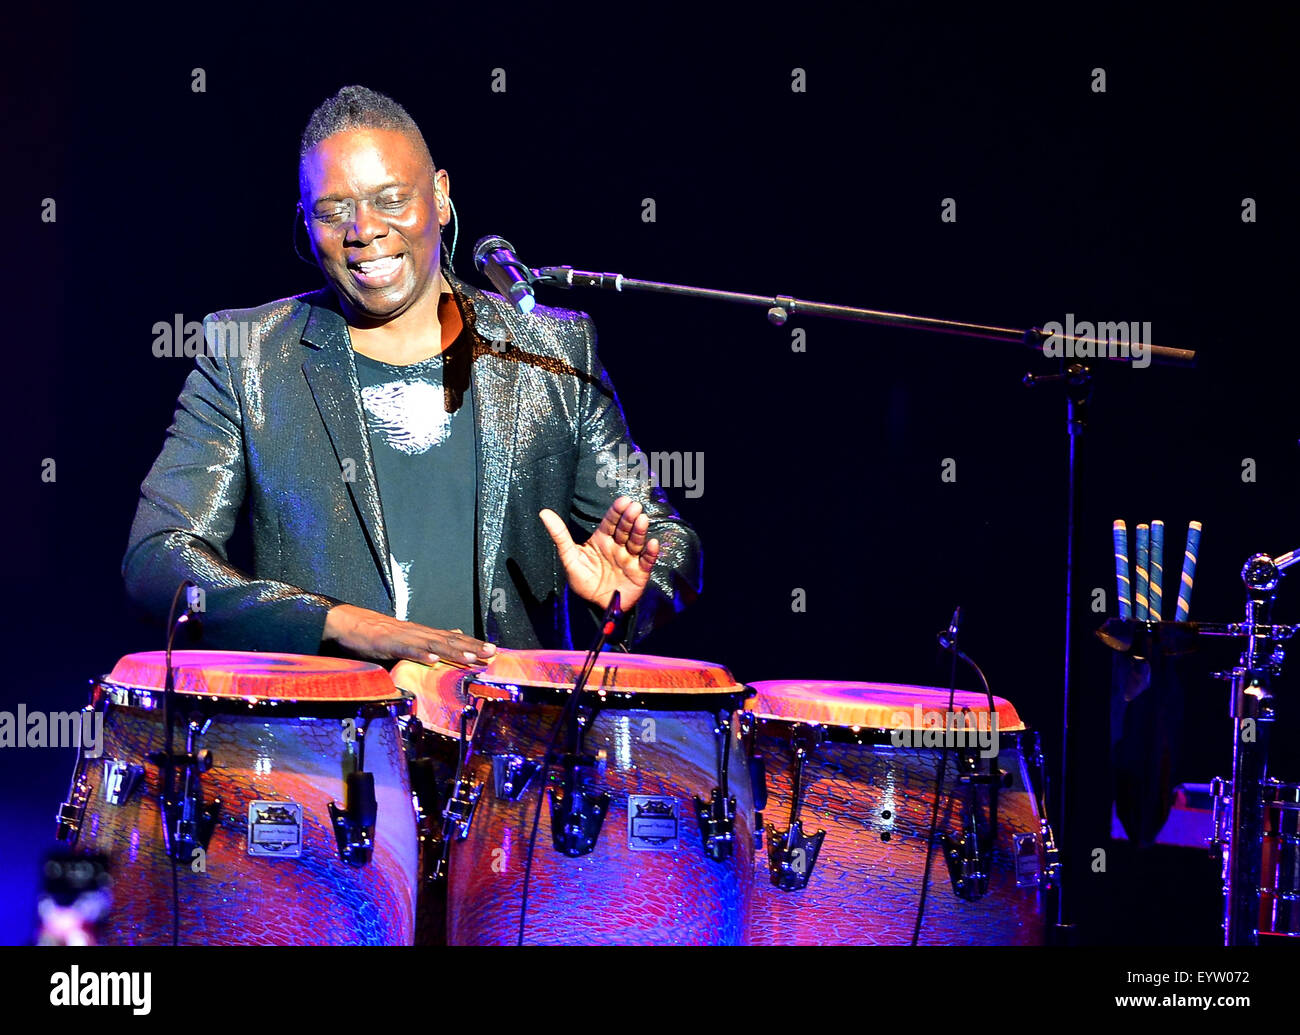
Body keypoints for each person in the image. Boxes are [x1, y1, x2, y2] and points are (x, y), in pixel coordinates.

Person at [123, 86, 701, 667]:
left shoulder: (549, 350)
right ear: (305, 222)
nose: (364, 230)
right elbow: (158, 559)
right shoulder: (246, 354)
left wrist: (630, 593)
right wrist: (343, 625)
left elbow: (669, 541)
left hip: (507, 743)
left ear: (441, 197)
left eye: (391, 199)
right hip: (330, 741)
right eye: (332, 212)